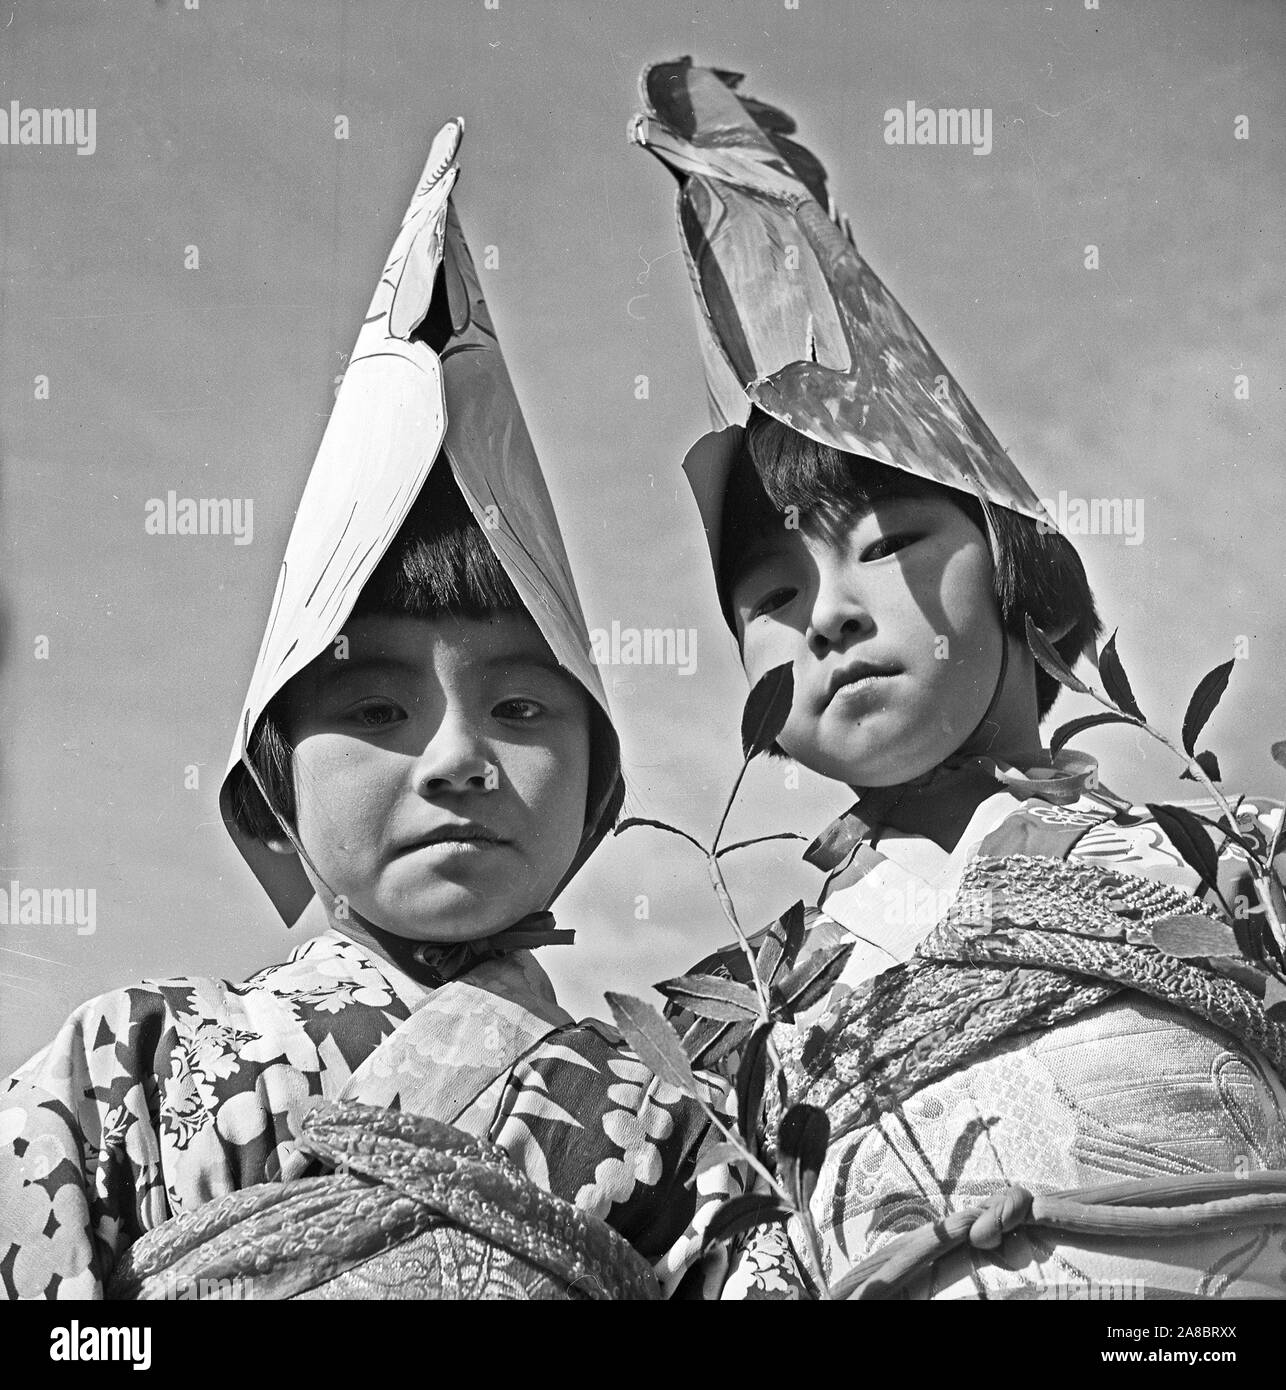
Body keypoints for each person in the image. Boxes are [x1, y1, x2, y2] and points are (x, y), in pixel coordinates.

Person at [0, 121, 736, 1301]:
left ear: (599, 783)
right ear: (270, 780)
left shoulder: (668, 1124)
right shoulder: (122, 1065)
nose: (458, 758)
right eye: (380, 707)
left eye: (516, 705)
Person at [633, 58, 1286, 1299]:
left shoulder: (1235, 870)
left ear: (1008, 568)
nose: (826, 612)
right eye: (771, 595)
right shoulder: (739, 1010)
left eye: (885, 544)